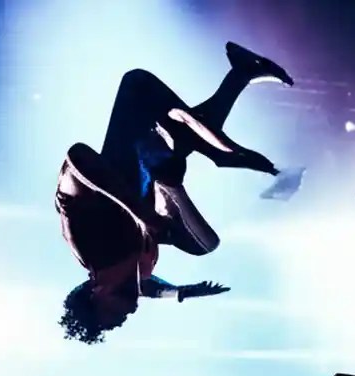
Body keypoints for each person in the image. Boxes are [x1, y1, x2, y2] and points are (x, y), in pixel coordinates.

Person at [56, 42, 298, 344]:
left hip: (138, 95)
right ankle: (240, 77)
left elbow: (76, 156)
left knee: (206, 140)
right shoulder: (136, 274)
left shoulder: (86, 241)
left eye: (115, 316)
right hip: (159, 156)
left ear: (96, 292)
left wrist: (142, 214)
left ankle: (232, 137)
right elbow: (150, 288)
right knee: (204, 245)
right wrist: (180, 292)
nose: (126, 318)